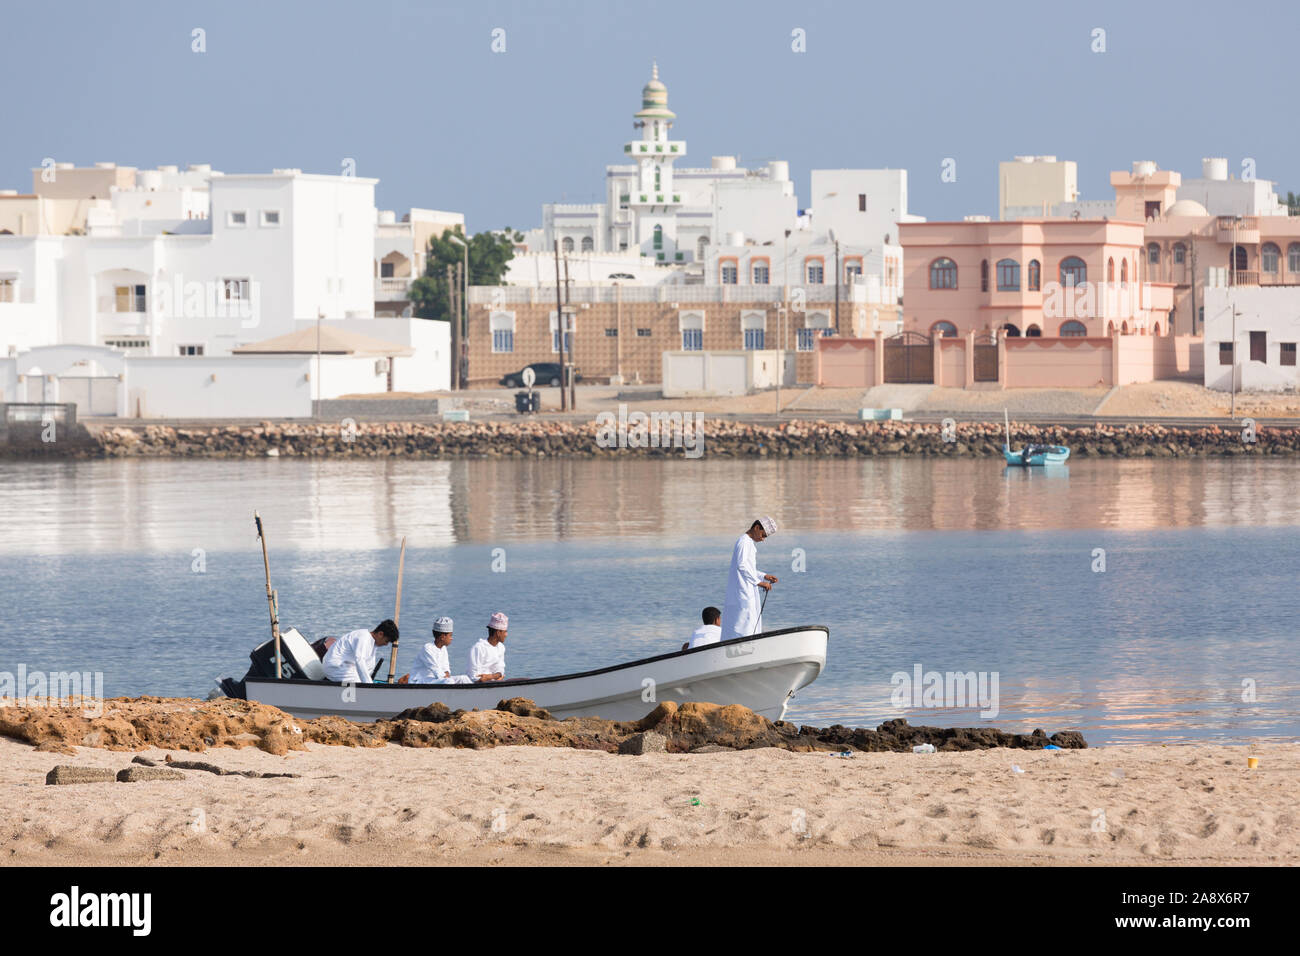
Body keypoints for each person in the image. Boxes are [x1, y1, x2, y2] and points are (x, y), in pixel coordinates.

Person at [720, 517, 779, 639]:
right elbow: (741, 566)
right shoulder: (744, 542)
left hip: (747, 591)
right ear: (756, 528)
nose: (763, 539)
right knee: (743, 624)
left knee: (749, 622)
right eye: (763, 535)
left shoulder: (748, 543)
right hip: (742, 592)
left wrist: (764, 576)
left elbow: (748, 568)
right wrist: (759, 583)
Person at [321, 619, 399, 684]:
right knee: (359, 682)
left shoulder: (373, 644)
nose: (386, 644)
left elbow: (368, 666)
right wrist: (369, 686)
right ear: (380, 634)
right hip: (335, 667)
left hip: (347, 667)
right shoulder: (363, 637)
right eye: (386, 641)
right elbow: (360, 661)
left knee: (362, 679)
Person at [400, 617, 471, 685]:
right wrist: (445, 676)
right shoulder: (427, 648)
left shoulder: (443, 648)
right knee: (449, 681)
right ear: (443, 637)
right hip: (421, 681)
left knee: (463, 678)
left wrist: (446, 673)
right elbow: (436, 670)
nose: (451, 638)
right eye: (450, 635)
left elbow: (446, 669)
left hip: (436, 679)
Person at [469, 612, 508, 682]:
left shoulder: (501, 647)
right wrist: (493, 677)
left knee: (525, 680)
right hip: (479, 686)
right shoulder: (478, 648)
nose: (506, 635)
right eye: (505, 632)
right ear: (498, 633)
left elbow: (500, 670)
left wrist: (491, 676)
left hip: (493, 682)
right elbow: (474, 676)